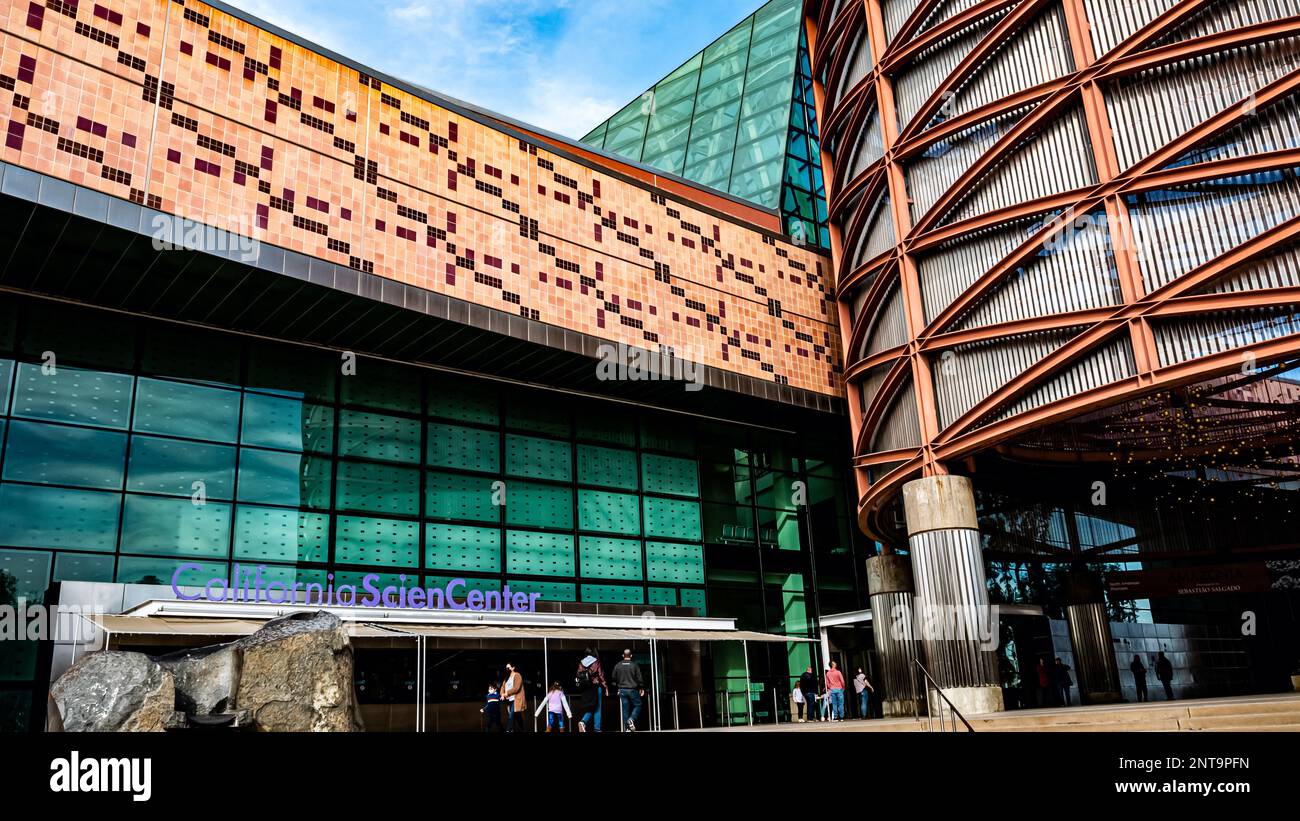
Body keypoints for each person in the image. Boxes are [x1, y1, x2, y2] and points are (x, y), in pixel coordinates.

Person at [610, 649, 645, 732]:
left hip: (622, 690)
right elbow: (639, 678)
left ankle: (627, 728)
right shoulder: (634, 665)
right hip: (632, 689)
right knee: (638, 705)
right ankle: (631, 719)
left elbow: (613, 678)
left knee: (625, 709)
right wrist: (641, 688)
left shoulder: (618, 665)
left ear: (623, 655)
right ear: (631, 656)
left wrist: (617, 688)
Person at [575, 648, 607, 732]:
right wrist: (605, 687)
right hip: (596, 687)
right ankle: (597, 728)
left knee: (591, 707)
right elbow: (600, 675)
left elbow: (578, 674)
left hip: (586, 687)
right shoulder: (596, 661)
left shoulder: (582, 662)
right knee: (597, 708)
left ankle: (583, 721)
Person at [501, 662, 526, 733]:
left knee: (511, 716)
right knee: (517, 716)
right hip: (509, 700)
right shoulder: (506, 678)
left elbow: (516, 688)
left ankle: (508, 730)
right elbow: (502, 687)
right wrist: (502, 694)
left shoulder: (517, 675)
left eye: (508, 668)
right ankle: (523, 729)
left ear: (513, 667)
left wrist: (506, 693)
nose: (507, 669)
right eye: (506, 668)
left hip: (516, 700)